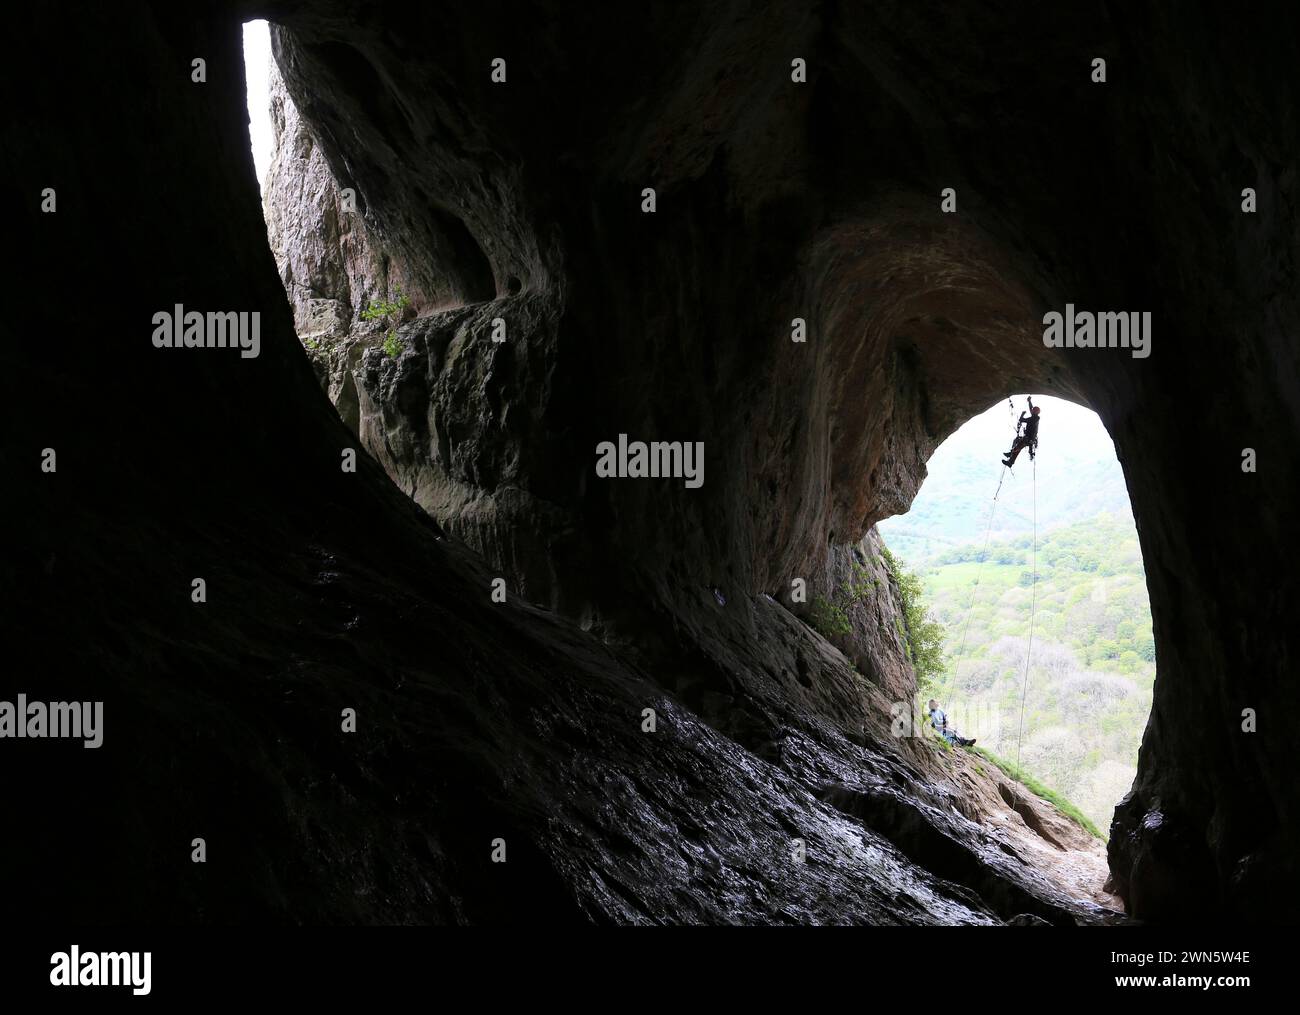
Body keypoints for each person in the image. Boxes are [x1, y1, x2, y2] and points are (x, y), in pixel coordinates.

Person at [1002, 399, 1040, 467]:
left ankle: (1010, 459)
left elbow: (1021, 420)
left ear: (1035, 412)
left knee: (1017, 448)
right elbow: (1031, 408)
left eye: (1033, 411)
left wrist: (1022, 414)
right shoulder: (1035, 417)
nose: (1031, 411)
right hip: (1029, 439)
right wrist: (1030, 401)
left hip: (1028, 439)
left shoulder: (1033, 419)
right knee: (1017, 448)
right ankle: (1010, 457)